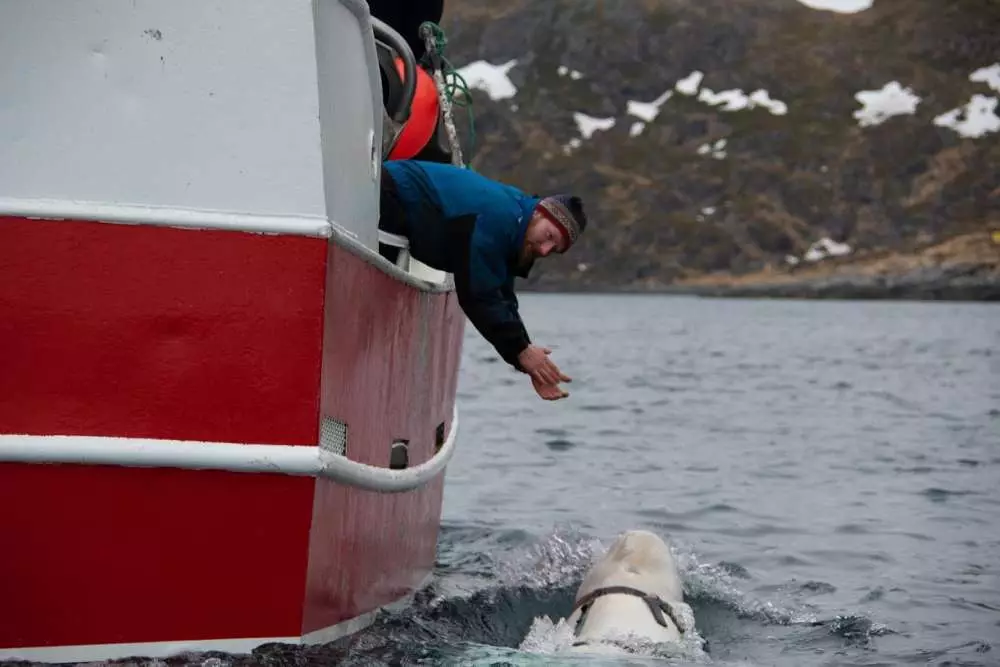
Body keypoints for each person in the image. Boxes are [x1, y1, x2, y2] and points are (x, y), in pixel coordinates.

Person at [378, 160, 588, 401]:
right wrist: (520, 351)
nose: (545, 250)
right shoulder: (498, 217)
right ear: (540, 213)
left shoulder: (517, 222)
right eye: (549, 236)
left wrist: (526, 355)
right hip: (390, 191)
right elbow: (478, 294)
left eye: (554, 249)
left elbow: (502, 295)